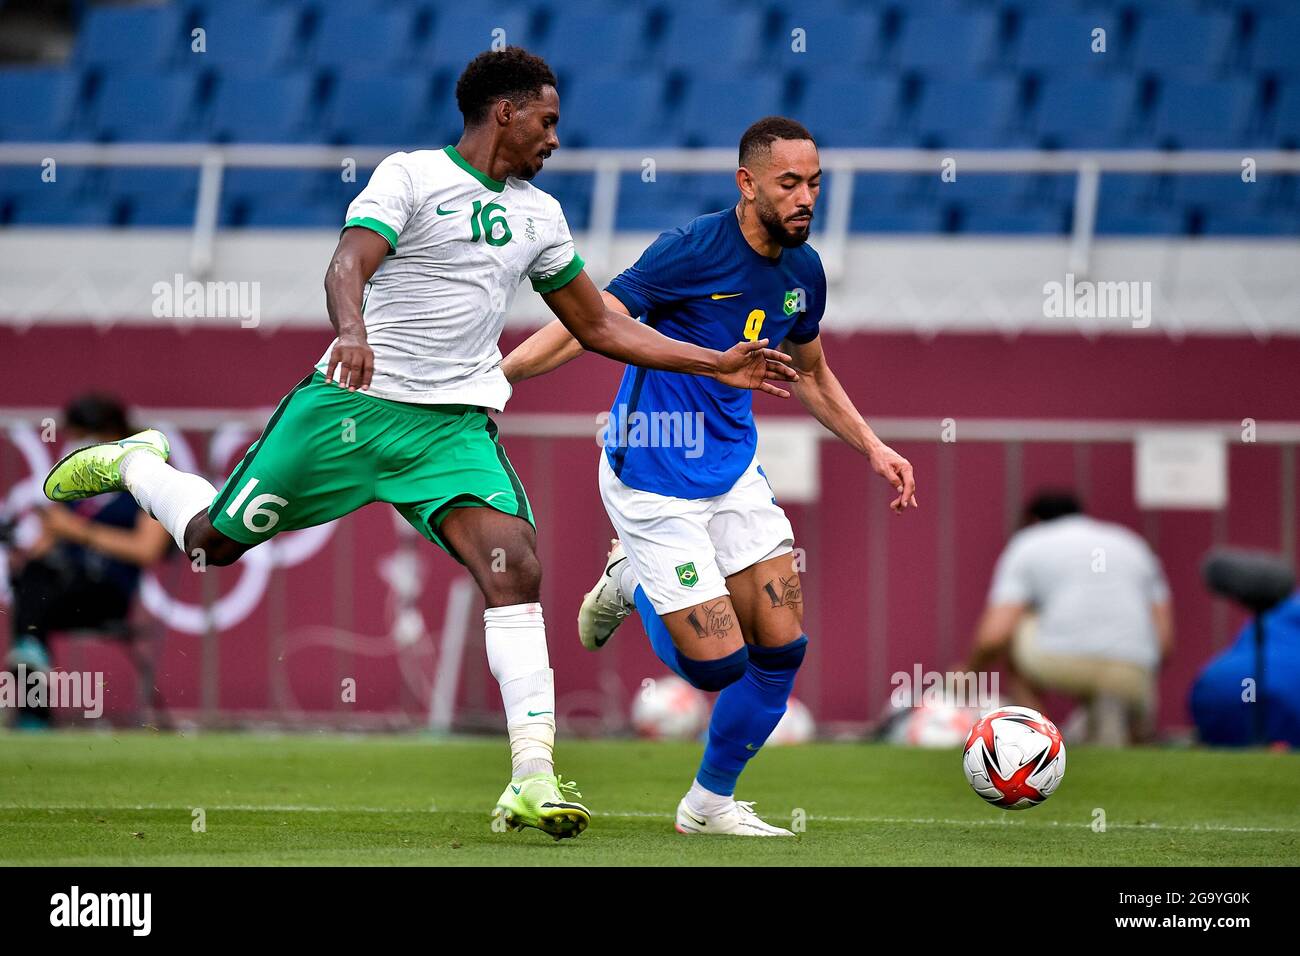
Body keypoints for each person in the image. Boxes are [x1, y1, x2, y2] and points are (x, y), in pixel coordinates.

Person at [41, 48, 797, 839]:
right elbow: (348, 261)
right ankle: (136, 462)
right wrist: (352, 329)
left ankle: (532, 778)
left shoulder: (540, 214)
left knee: (515, 566)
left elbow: (598, 324)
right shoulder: (410, 176)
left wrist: (714, 361)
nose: (555, 139)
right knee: (211, 542)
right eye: (547, 122)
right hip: (348, 410)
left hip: (450, 431)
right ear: (504, 113)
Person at [503, 116, 918, 835]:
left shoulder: (804, 271)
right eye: (789, 183)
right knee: (716, 667)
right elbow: (588, 323)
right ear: (747, 184)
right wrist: (498, 377)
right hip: (652, 473)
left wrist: (872, 446)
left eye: (814, 183)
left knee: (782, 649)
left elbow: (811, 371)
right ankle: (630, 580)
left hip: (732, 473)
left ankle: (707, 806)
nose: (805, 198)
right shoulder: (691, 250)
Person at [6, 395, 171, 728]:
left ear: (109, 434)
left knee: (32, 607)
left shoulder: (150, 475)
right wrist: (25, 546)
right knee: (32, 581)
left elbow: (147, 549)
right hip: (59, 588)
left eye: (82, 436)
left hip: (106, 593)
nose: (76, 445)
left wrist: (80, 532)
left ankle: (32, 711)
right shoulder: (79, 480)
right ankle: (30, 671)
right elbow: (43, 545)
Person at [964, 491, 1174, 746]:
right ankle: (1118, 718)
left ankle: (1036, 742)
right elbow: (1164, 641)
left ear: (1034, 521)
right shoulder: (1132, 544)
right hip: (1134, 669)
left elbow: (995, 636)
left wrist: (968, 674)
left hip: (1064, 663)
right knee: (1114, 662)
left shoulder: (1028, 542)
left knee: (1018, 626)